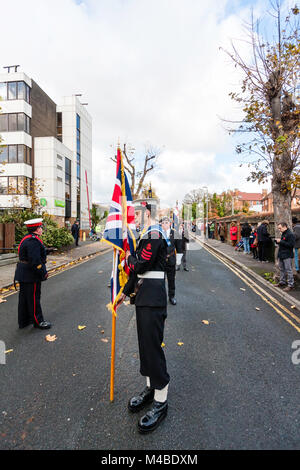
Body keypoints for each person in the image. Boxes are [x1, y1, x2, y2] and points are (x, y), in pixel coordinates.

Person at [118, 202, 170, 433]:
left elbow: (140, 264)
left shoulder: (155, 233)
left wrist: (127, 257)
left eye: (136, 213)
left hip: (153, 298)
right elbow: (139, 272)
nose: (133, 218)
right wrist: (123, 293)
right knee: (144, 347)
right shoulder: (145, 235)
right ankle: (150, 388)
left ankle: (161, 399)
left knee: (153, 347)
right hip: (143, 296)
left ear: (147, 213)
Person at [14, 218, 52, 330]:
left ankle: (24, 321)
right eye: (40, 227)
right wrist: (43, 273)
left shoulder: (28, 238)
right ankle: (38, 321)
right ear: (36, 229)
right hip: (31, 274)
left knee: (24, 298)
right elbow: (35, 261)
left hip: (24, 273)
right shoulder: (33, 241)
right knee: (34, 299)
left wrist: (46, 251)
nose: (41, 229)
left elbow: (29, 254)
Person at [160, 217, 182, 305]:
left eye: (166, 222)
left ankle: (171, 296)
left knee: (171, 280)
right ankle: (161, 297)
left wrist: (178, 261)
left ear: (169, 224)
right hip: (161, 261)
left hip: (171, 260)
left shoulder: (175, 233)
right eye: (163, 223)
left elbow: (179, 248)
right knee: (160, 281)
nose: (164, 224)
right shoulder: (158, 233)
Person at [274, 222, 295, 291]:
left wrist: (281, 241)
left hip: (287, 255)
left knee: (289, 270)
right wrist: (278, 241)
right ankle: (282, 282)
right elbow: (283, 242)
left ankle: (290, 285)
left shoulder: (290, 234)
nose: (279, 230)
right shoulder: (284, 233)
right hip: (282, 254)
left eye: (280, 228)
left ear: (285, 226)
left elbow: (291, 245)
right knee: (281, 269)